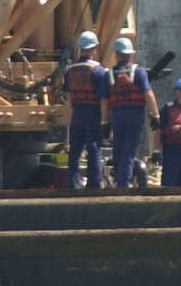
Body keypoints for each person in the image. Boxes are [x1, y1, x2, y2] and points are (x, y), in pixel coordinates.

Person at [107, 37, 159, 188]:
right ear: (130, 54)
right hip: (134, 114)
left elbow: (105, 100)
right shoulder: (139, 72)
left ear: (116, 54)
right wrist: (155, 115)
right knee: (129, 150)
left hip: (117, 115)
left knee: (118, 148)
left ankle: (118, 179)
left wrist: (104, 122)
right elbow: (148, 94)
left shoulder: (110, 74)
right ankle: (124, 183)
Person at [63, 30, 110, 189]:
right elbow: (104, 99)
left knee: (75, 149)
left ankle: (72, 183)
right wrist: (105, 121)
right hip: (93, 111)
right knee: (94, 147)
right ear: (94, 48)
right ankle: (94, 183)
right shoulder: (98, 71)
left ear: (80, 48)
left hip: (77, 112)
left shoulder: (70, 71)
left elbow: (68, 98)